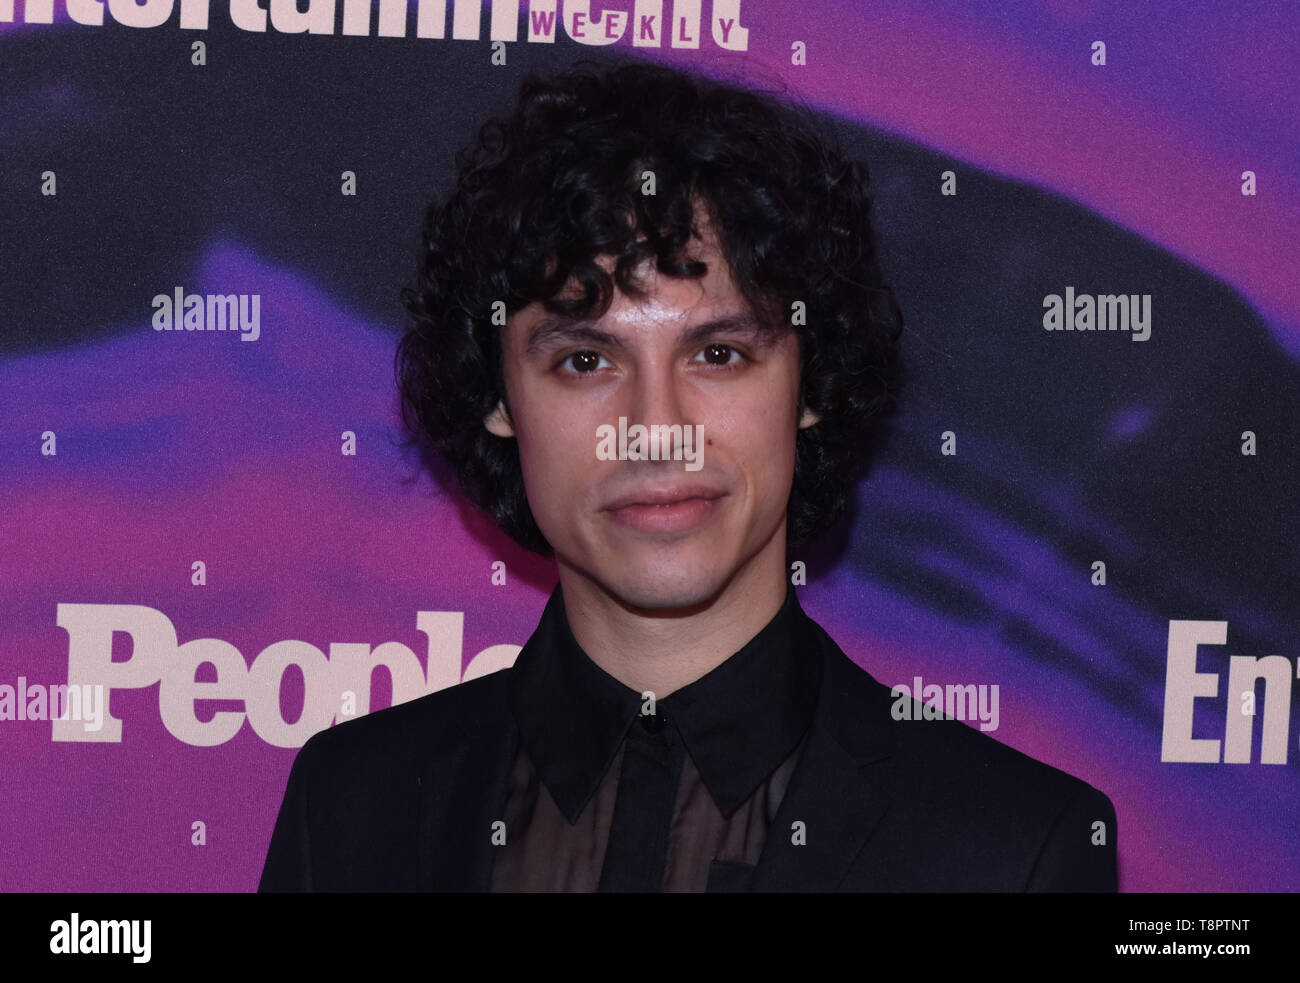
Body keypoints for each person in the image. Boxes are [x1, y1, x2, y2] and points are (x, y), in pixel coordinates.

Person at [259, 58, 1117, 892]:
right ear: (499, 399)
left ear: (809, 385)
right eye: (586, 360)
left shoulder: (1015, 849)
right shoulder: (351, 808)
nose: (656, 429)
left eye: (718, 352)